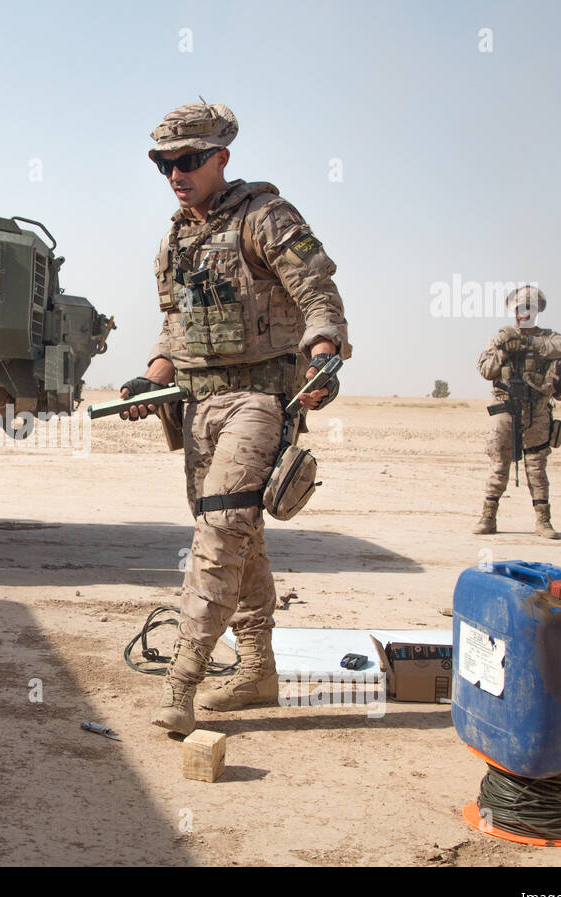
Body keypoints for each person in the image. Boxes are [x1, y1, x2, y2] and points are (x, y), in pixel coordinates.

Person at [120, 102, 351, 735]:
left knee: (220, 534)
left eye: (189, 160)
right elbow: (174, 327)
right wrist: (151, 379)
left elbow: (317, 292)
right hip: (197, 409)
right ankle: (258, 671)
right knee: (240, 537)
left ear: (222, 156)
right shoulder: (174, 238)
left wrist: (323, 352)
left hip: (261, 400)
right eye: (165, 163)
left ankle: (182, 681)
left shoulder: (266, 216)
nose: (176, 173)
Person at [473, 285, 561, 538]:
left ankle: (543, 522)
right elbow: (485, 370)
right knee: (499, 465)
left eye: (529, 309)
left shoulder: (549, 339)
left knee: (537, 467)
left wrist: (529, 342)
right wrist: (505, 350)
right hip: (506, 410)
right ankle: (488, 517)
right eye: (520, 309)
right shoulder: (501, 338)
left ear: (537, 311)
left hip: (537, 412)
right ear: (514, 311)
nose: (523, 314)